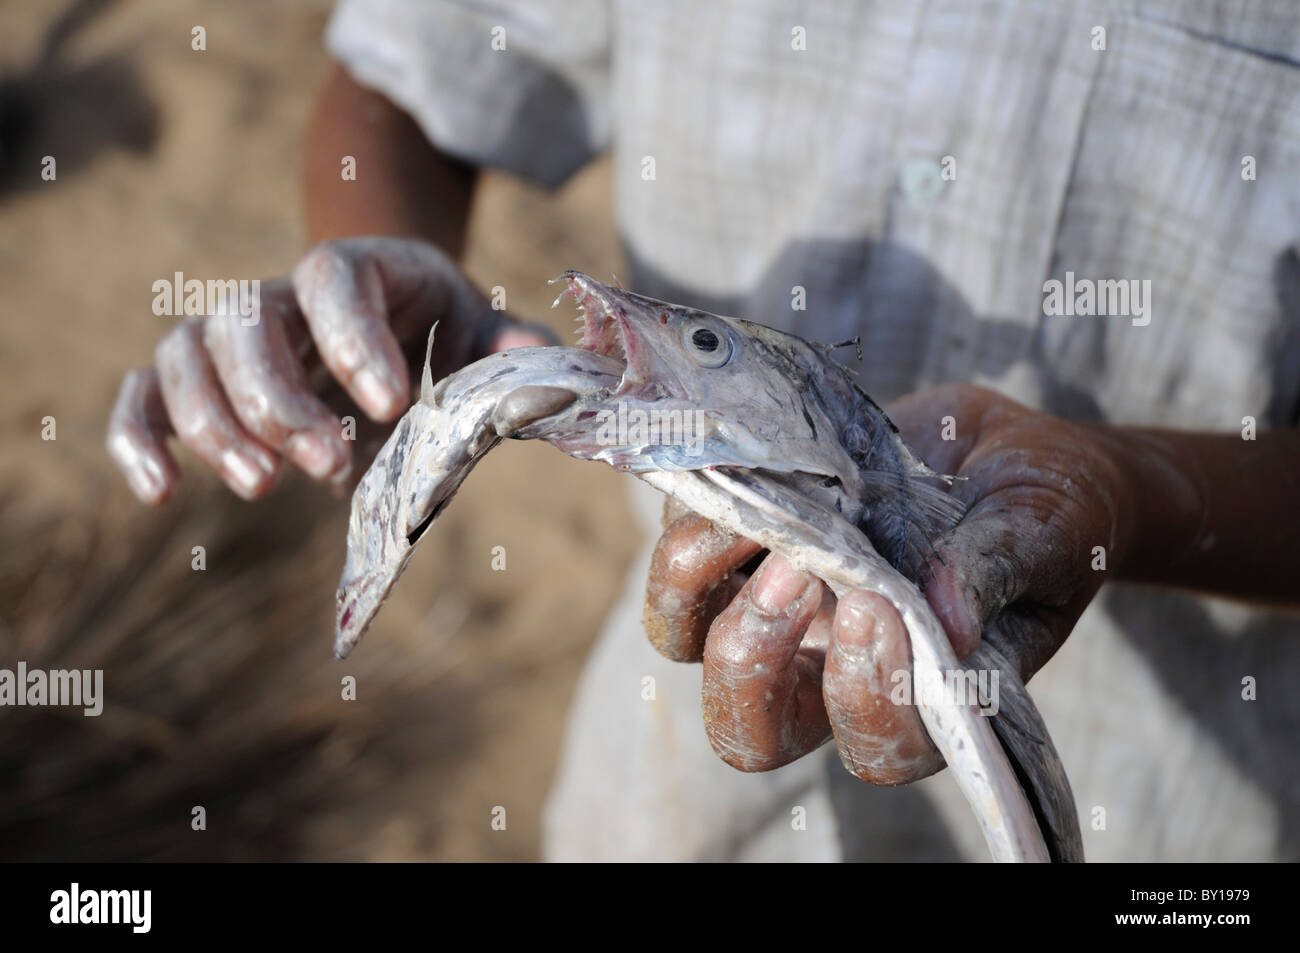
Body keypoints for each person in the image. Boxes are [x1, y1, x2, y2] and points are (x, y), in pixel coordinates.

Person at [108, 1, 1300, 861]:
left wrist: (1130, 491)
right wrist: (401, 270)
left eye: (711, 349)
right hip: (663, 788)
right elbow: (406, 77)